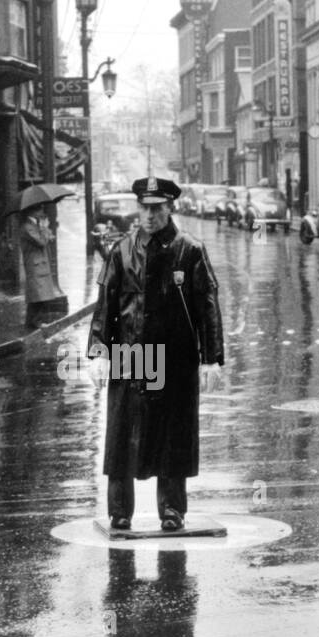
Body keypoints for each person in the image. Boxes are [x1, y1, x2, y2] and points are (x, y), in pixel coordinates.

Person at [87, 176, 225, 532]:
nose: (149, 216)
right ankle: (119, 511)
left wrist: (210, 358)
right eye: (144, 208)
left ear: (169, 208)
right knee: (122, 434)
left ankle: (172, 510)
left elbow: (207, 306)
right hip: (131, 352)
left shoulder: (189, 250)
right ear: (138, 208)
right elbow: (106, 303)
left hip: (174, 355)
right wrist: (100, 350)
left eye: (157, 209)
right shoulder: (122, 249)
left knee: (172, 434)